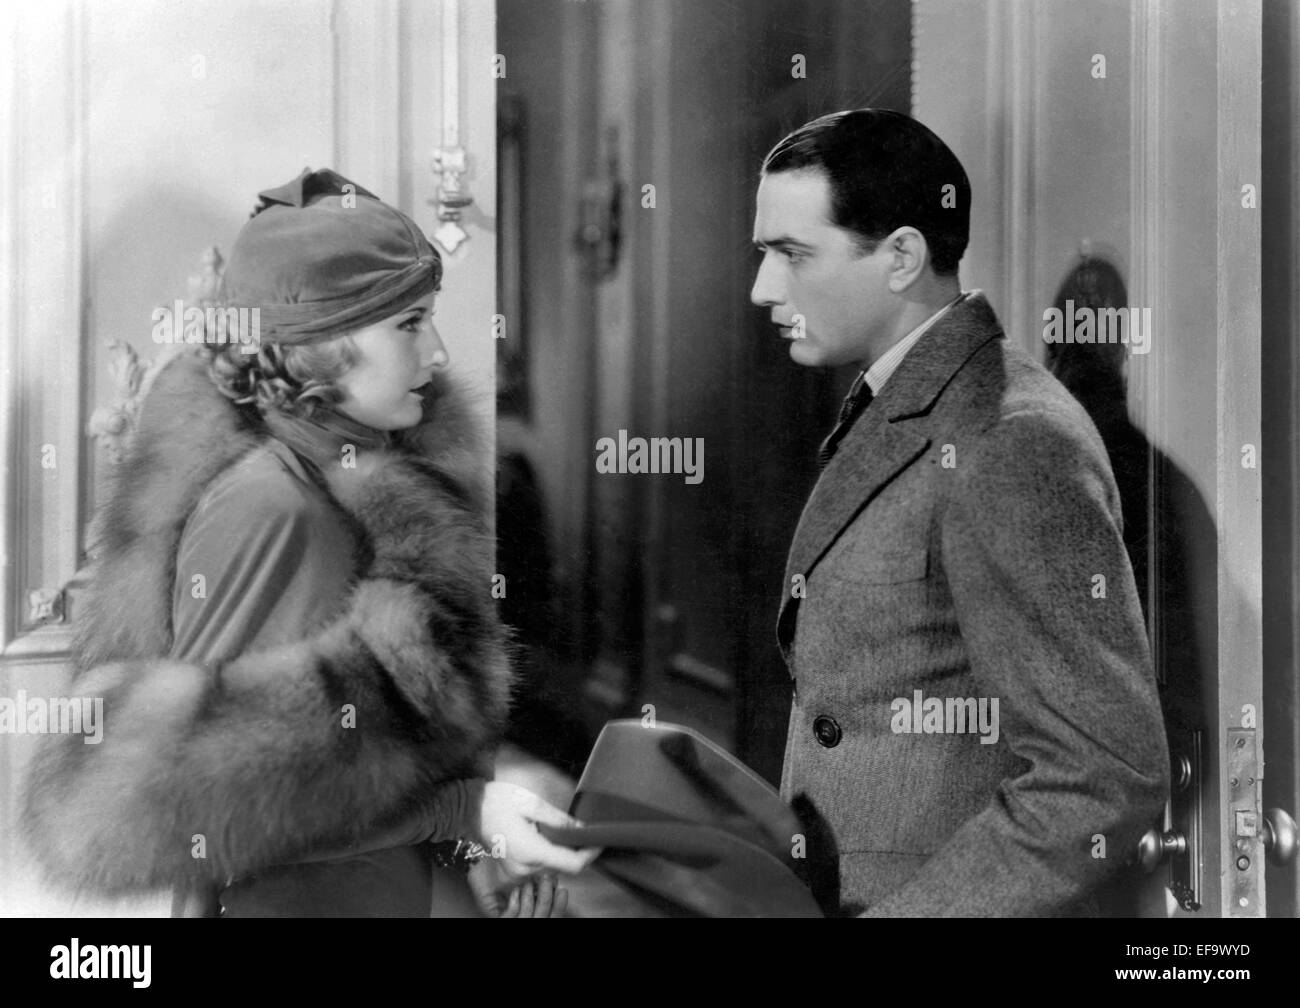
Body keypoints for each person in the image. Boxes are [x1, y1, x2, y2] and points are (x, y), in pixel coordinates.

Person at [23, 168, 594, 917]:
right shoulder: (277, 505)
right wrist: (466, 816)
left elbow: (370, 752)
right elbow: (216, 794)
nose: (439, 353)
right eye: (408, 324)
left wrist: (474, 839)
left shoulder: (339, 474)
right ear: (318, 345)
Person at [749, 110, 1170, 916]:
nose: (764, 288)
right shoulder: (903, 404)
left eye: (793, 255)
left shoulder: (1010, 441)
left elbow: (1102, 776)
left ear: (902, 256)